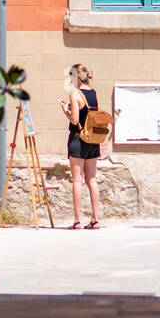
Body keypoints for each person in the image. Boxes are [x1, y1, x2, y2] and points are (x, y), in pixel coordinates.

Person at [58, 63, 102, 229]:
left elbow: (75, 119)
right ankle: (95, 219)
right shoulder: (94, 93)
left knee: (77, 180)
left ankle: (77, 220)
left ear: (75, 76)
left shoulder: (74, 94)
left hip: (78, 139)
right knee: (92, 178)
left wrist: (65, 110)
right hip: (92, 139)